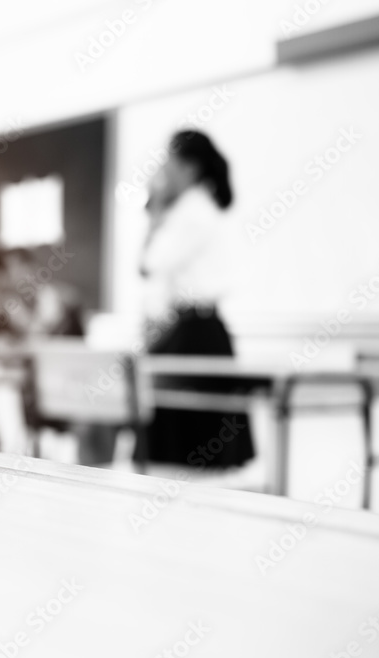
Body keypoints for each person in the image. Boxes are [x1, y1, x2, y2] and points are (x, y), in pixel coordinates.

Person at [139, 129, 254, 468]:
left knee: (185, 451)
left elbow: (149, 264)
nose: (162, 171)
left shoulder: (191, 212)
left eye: (168, 162)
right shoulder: (195, 208)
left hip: (194, 335)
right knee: (188, 450)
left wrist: (155, 210)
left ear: (189, 168)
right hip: (192, 330)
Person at [0, 247, 82, 347]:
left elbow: (77, 346)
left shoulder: (66, 302)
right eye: (4, 273)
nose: (15, 276)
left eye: (20, 268)